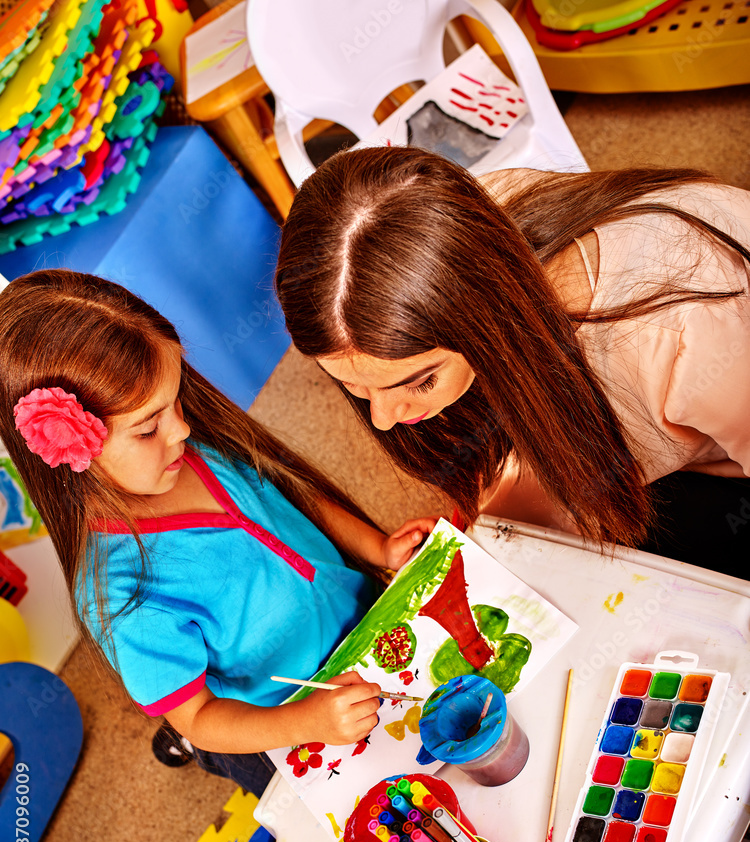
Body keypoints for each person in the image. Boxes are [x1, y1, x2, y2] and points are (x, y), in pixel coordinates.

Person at [0, 269, 435, 795]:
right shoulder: (119, 596)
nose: (182, 428)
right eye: (148, 426)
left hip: (365, 632)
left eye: (175, 399)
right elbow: (201, 717)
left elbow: (298, 501)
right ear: (69, 451)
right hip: (286, 722)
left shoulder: (191, 451)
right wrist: (309, 723)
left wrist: (380, 547)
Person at [275, 146, 750, 578]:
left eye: (419, 382)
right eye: (356, 387)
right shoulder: (450, 224)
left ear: (487, 318)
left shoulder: (692, 332)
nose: (382, 420)